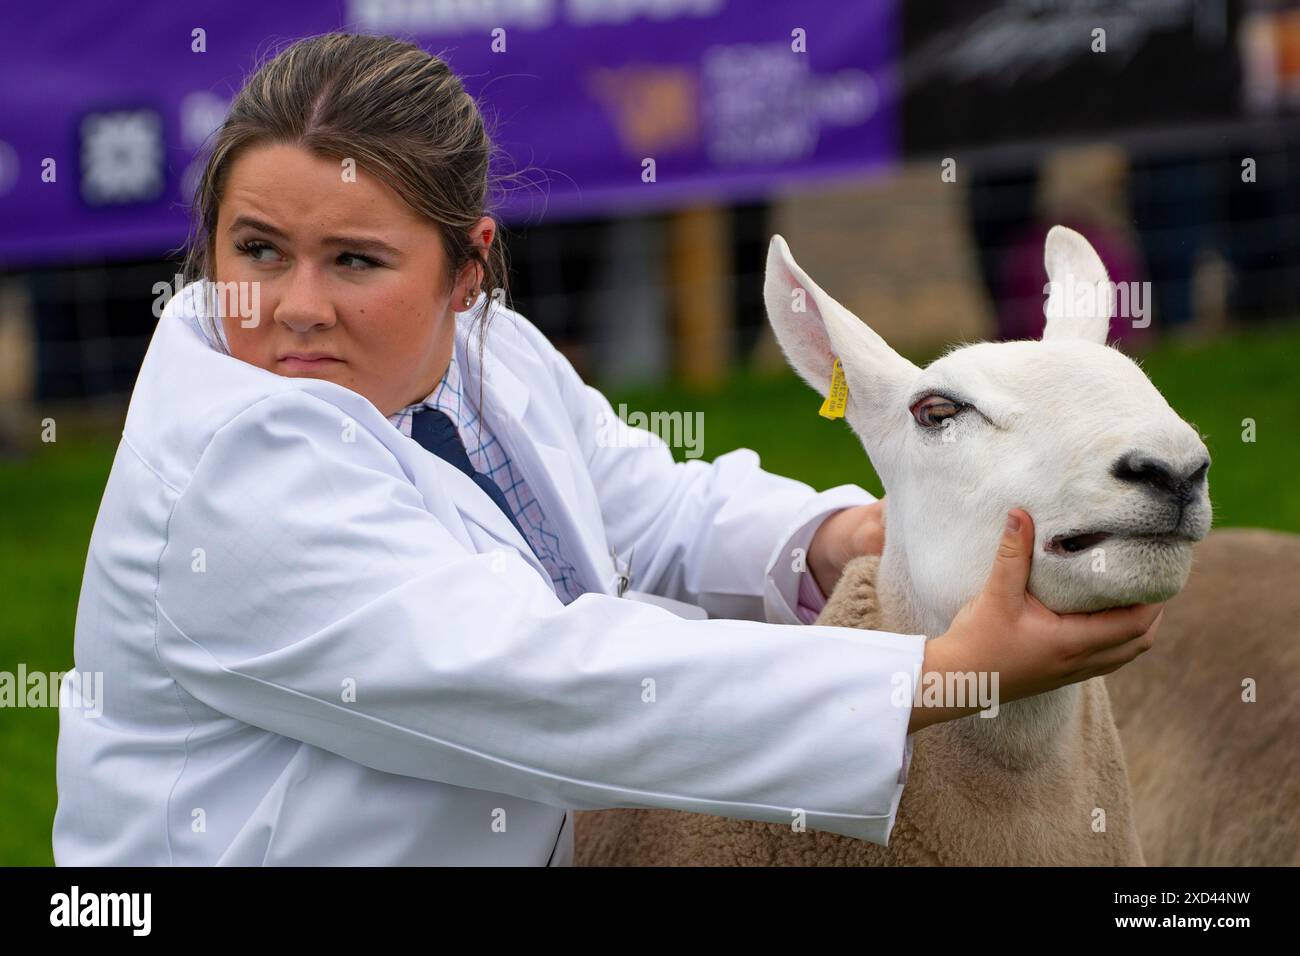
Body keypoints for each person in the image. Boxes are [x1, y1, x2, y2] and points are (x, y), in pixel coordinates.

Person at [52, 32, 1164, 866]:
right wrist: (933, 673)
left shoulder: (484, 349)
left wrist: (839, 534)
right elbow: (541, 680)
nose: (295, 304)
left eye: (354, 260)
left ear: (466, 267)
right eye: (256, 247)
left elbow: (643, 498)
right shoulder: (234, 465)